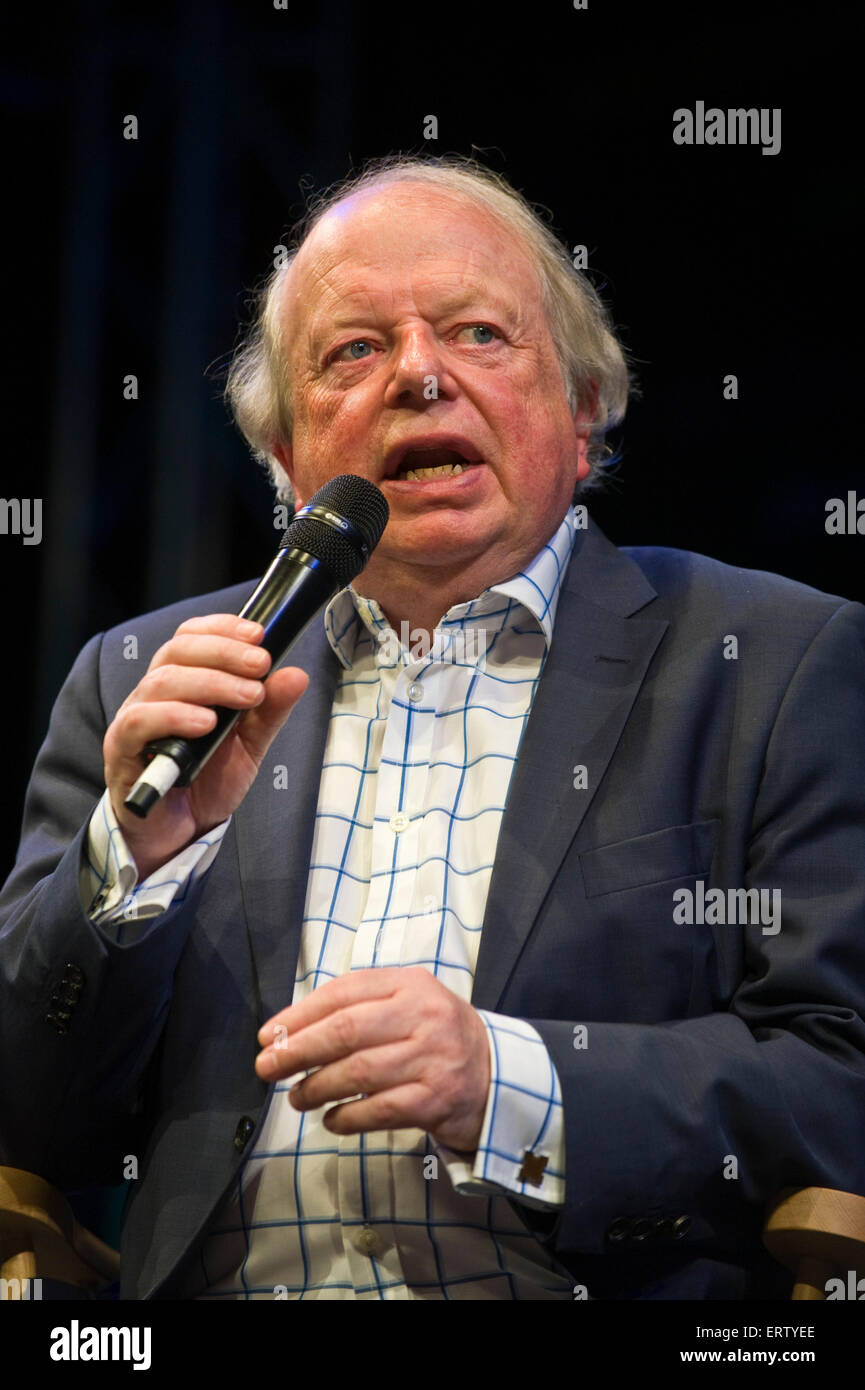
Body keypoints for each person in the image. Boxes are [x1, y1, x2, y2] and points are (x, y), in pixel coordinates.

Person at [1, 153, 864, 1301]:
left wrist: (508, 1081)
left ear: (584, 410)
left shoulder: (772, 661)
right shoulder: (145, 682)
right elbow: (30, 1113)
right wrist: (132, 861)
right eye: (353, 350)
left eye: (478, 334)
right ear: (283, 459)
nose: (418, 374)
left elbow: (838, 1076)